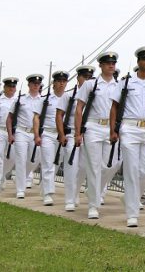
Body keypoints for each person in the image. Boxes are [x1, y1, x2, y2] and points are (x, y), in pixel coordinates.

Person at [112, 46, 145, 227]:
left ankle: (129, 197)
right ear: (138, 61)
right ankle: (132, 214)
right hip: (130, 128)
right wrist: (113, 130)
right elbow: (114, 107)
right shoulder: (125, 82)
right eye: (144, 59)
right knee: (131, 171)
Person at [75, 52, 121, 219]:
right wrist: (78, 132)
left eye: (113, 63)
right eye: (107, 63)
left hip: (110, 128)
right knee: (94, 167)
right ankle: (93, 205)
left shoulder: (120, 85)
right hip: (93, 127)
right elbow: (79, 107)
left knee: (112, 164)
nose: (111, 65)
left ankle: (93, 189)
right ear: (100, 65)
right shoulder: (90, 85)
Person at [56, 65, 93, 211]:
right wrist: (61, 134)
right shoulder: (69, 95)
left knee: (84, 166)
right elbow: (59, 115)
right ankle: (69, 199)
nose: (87, 80)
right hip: (71, 134)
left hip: (88, 134)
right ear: (78, 78)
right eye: (84, 77)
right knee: (71, 167)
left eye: (89, 77)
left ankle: (76, 191)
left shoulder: (94, 95)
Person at [7, 74, 44, 198]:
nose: (35, 85)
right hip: (21, 132)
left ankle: (20, 177)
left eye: (38, 84)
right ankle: (20, 189)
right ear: (29, 84)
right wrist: (10, 134)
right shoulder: (20, 100)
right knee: (21, 159)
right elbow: (9, 118)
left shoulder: (44, 100)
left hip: (36, 134)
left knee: (34, 160)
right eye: (33, 83)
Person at [35, 71, 69, 206]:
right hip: (48, 134)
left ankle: (44, 186)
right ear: (53, 83)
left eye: (64, 81)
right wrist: (37, 135)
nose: (61, 83)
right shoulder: (45, 100)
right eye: (59, 81)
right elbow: (36, 117)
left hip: (63, 135)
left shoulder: (69, 98)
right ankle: (48, 194)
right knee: (48, 163)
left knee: (56, 164)